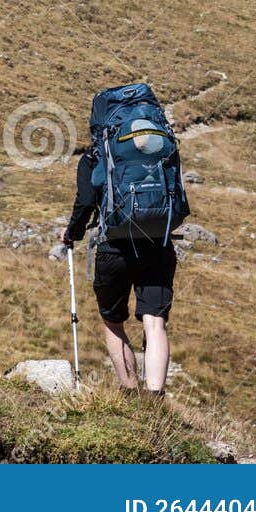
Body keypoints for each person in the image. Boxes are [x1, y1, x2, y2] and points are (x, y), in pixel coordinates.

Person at [62, 147, 176, 395]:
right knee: (155, 324)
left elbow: (85, 201)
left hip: (113, 248)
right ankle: (155, 399)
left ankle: (131, 392)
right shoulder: (163, 148)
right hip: (158, 244)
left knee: (113, 322)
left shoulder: (95, 156)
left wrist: (72, 233)